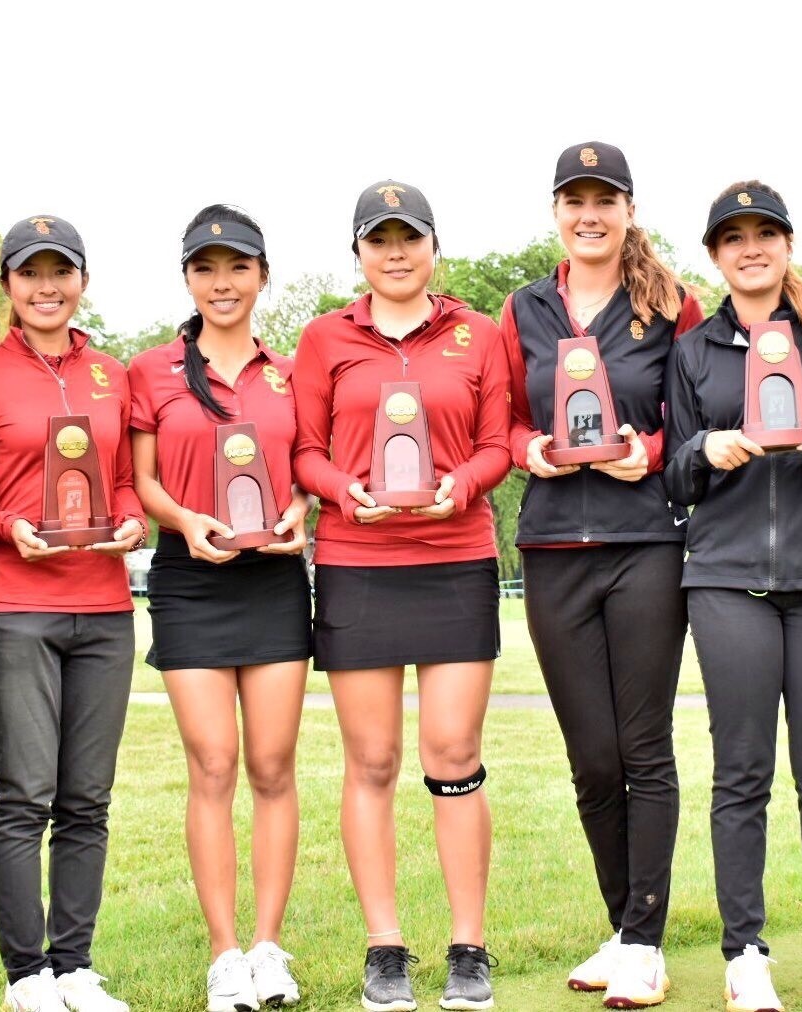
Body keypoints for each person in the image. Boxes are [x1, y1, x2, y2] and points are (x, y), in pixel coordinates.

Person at [664, 181, 802, 1012]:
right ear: (716, 256)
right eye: (734, 238)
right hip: (725, 581)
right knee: (742, 773)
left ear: (788, 245)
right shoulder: (696, 350)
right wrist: (708, 448)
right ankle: (746, 953)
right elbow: (672, 471)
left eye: (766, 234)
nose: (750, 249)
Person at [291, 180, 511, 1012]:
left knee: (452, 752)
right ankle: (386, 947)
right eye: (378, 240)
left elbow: (497, 444)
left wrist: (462, 483)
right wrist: (345, 491)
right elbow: (307, 453)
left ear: (432, 247)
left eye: (408, 238)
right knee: (373, 760)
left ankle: (469, 945)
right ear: (358, 253)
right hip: (356, 560)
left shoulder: (478, 334)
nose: (394, 252)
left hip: (455, 555)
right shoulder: (323, 339)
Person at [500, 141, 701, 1008]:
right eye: (574, 200)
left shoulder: (672, 306)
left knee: (642, 746)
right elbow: (503, 420)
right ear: (556, 212)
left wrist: (645, 452)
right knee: (591, 758)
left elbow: (693, 425)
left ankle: (646, 941)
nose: (590, 214)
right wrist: (529, 450)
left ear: (628, 210)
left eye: (605, 200)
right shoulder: (523, 309)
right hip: (552, 552)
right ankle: (625, 927)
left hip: (645, 545)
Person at [129, 206, 311, 1012]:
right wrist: (183, 519)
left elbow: (309, 465)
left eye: (237, 266)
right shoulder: (151, 372)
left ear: (262, 275)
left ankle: (269, 948)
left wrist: (303, 507)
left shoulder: (292, 372)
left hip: (272, 579)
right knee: (213, 764)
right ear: (188, 279)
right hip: (191, 577)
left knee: (273, 768)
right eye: (206, 268)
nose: (222, 282)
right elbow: (142, 481)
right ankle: (224, 954)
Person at [0, 216, 147, 1012]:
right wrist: (12, 528)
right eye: (30, 273)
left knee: (88, 798)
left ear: (81, 281)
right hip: (17, 608)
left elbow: (123, 480)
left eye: (61, 272)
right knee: (25, 795)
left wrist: (135, 517)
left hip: (106, 608)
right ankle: (24, 977)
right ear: (7, 285)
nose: (47, 288)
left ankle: (74, 965)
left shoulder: (112, 373)